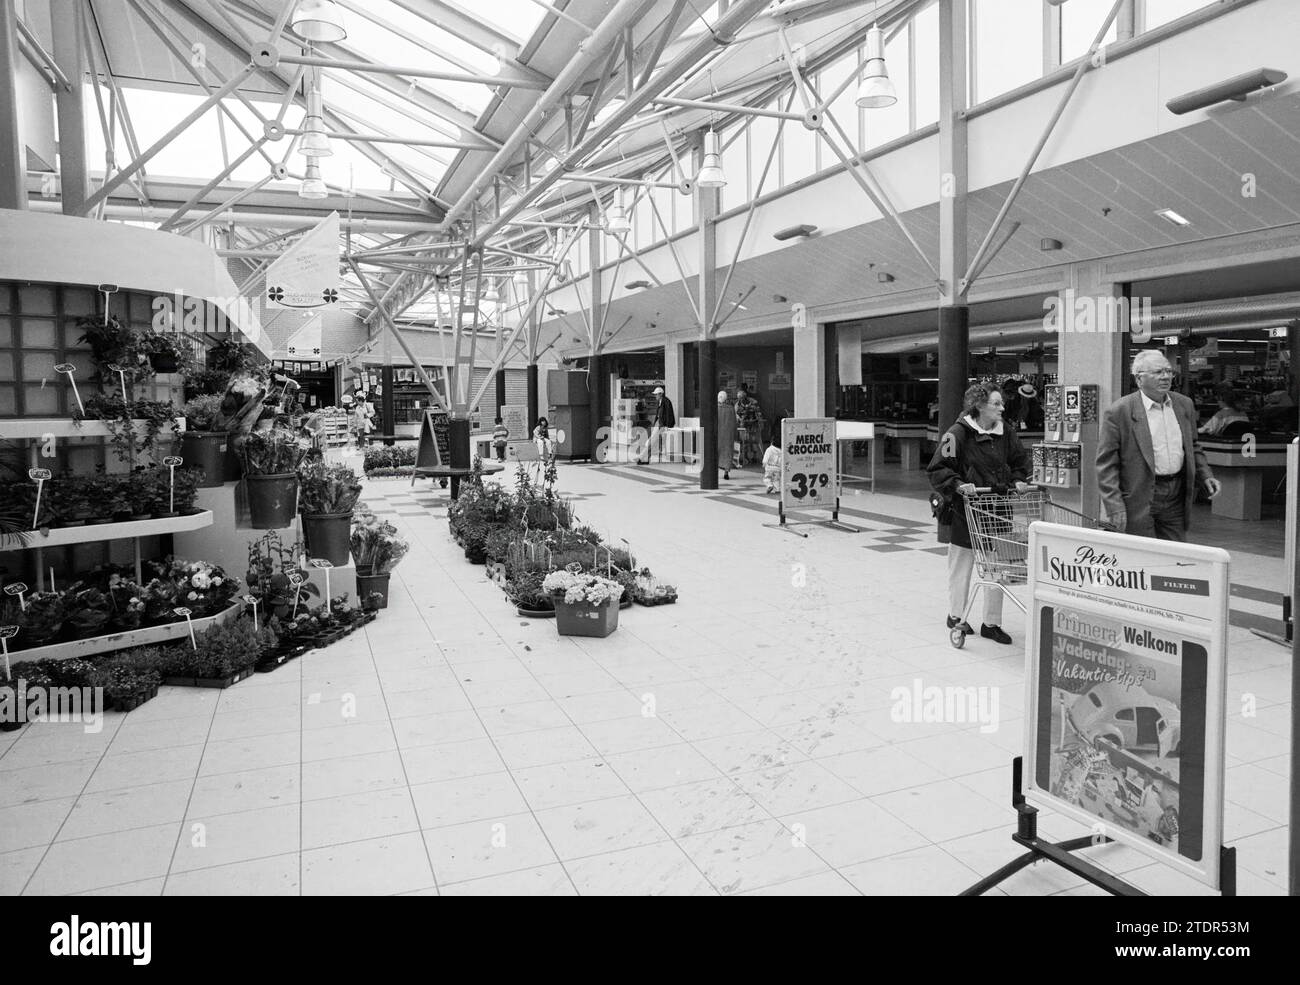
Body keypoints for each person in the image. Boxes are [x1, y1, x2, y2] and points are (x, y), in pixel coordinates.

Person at [927, 382, 1033, 645]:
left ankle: (991, 623)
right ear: (980, 406)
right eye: (996, 403)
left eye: (1001, 403)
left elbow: (1020, 461)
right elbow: (938, 467)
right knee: (961, 565)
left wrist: (1019, 479)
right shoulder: (959, 432)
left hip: (997, 508)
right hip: (967, 510)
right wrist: (958, 485)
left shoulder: (1005, 432)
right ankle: (956, 616)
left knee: (996, 568)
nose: (1002, 407)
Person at [1096, 350, 1221, 541]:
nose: (1165, 377)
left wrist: (1205, 475)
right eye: (1157, 372)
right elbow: (1106, 465)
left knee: (1175, 553)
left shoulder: (1184, 405)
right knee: (1142, 555)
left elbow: (1192, 446)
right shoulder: (1119, 412)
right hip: (1139, 496)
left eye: (1168, 371)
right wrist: (1114, 505)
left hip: (1176, 495)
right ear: (1139, 379)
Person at [642, 385, 675, 464]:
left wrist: (667, 426)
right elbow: (658, 415)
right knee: (651, 442)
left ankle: (644, 457)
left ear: (660, 394)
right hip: (659, 425)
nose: (655, 396)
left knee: (652, 442)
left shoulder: (666, 401)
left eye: (656, 394)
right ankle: (644, 457)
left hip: (663, 426)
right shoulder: (659, 402)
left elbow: (669, 414)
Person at [735, 384, 763, 465]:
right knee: (745, 441)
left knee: (754, 441)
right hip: (743, 425)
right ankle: (746, 457)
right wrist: (740, 419)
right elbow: (736, 415)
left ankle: (754, 457)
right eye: (739, 398)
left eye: (742, 398)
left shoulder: (753, 401)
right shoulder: (737, 405)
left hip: (753, 424)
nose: (741, 399)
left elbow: (758, 412)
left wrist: (759, 419)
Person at [716, 390, 737, 480]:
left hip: (717, 434)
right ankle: (726, 472)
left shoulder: (714, 409)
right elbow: (734, 422)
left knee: (717, 452)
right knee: (727, 452)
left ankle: (715, 470)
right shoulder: (731, 409)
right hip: (728, 434)